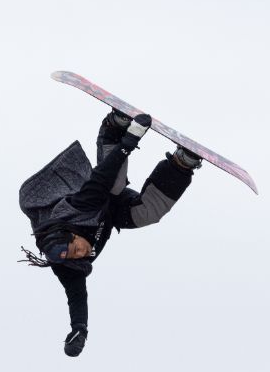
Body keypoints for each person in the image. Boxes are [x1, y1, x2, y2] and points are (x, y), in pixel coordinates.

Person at [19, 109, 202, 356]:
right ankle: (181, 164)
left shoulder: (75, 209)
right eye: (76, 256)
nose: (82, 254)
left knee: (113, 183)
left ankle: (113, 128)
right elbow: (76, 296)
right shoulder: (67, 265)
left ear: (72, 233)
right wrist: (79, 329)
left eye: (76, 248)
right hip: (110, 214)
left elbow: (102, 176)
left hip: (95, 194)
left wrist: (131, 137)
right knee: (147, 214)